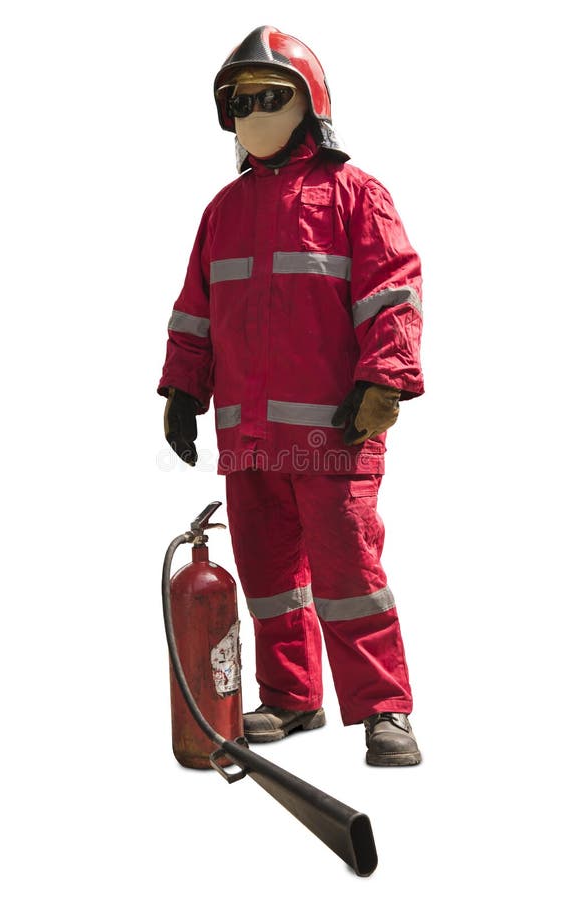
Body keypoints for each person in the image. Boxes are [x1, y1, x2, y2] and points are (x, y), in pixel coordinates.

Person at [158, 26, 424, 766]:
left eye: (267, 98)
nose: (250, 115)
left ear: (311, 106)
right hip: (248, 439)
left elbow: (392, 295)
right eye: (236, 102)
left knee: (350, 582)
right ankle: (289, 697)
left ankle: (383, 711)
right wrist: (183, 388)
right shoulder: (222, 210)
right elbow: (195, 311)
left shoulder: (353, 194)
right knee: (271, 584)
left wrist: (384, 380)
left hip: (333, 435)